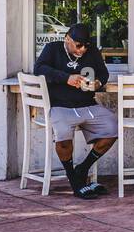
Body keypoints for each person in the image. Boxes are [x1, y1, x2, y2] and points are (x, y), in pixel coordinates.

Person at [33, 23, 117, 200]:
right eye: (79, 45)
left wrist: (98, 83)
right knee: (63, 136)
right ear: (68, 39)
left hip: (88, 104)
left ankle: (82, 169)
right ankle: (74, 180)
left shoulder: (91, 51)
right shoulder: (53, 49)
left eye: (86, 45)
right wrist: (66, 78)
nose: (83, 49)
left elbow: (103, 72)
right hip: (60, 106)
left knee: (113, 127)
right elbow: (39, 69)